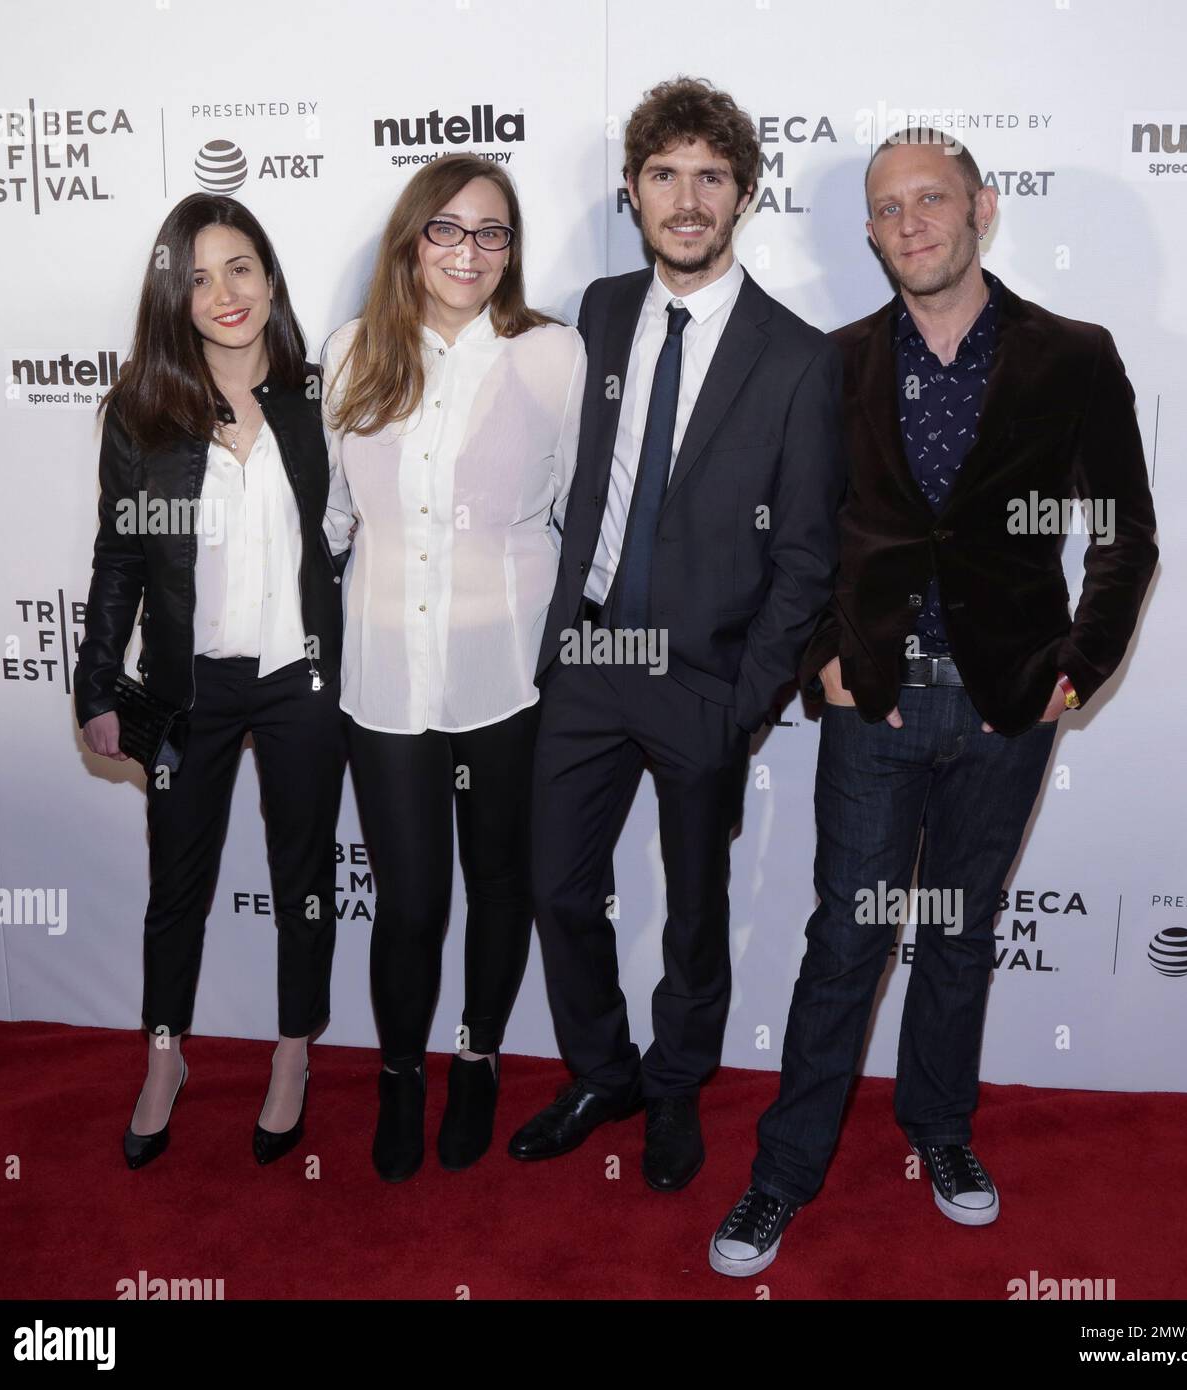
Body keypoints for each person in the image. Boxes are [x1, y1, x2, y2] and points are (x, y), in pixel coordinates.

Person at [710, 127, 1159, 1276]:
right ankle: (782, 1174)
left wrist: (1078, 665)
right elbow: (802, 535)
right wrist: (822, 659)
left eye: (930, 199)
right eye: (887, 208)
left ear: (981, 208)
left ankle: (941, 1134)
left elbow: (1121, 533)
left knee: (959, 939)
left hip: (1009, 707)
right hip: (875, 704)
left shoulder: (1072, 354)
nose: (910, 222)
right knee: (844, 940)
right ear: (868, 232)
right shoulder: (838, 360)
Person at [508, 78, 844, 1192]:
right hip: (590, 660)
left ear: (744, 193)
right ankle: (603, 1071)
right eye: (664, 175)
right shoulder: (598, 313)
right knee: (556, 887)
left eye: (709, 176)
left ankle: (676, 1084)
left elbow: (805, 554)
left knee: (695, 914)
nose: (686, 198)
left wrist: (745, 695)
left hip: (704, 678)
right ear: (633, 190)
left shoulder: (798, 356)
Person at [74, 192, 353, 1170]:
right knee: (174, 888)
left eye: (238, 267)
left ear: (270, 276)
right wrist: (98, 683)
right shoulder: (144, 412)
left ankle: (292, 1055)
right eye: (195, 276)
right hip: (185, 685)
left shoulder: (324, 397)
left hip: (301, 679)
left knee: (302, 880)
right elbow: (119, 560)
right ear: (172, 297)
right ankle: (164, 1058)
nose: (222, 292)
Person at [321, 154, 584, 1181]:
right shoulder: (349, 354)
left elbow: (579, 512)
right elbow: (335, 523)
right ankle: (399, 1074)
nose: (468, 252)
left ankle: (475, 1058)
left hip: (506, 678)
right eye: (446, 229)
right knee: (412, 902)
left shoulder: (553, 355)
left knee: (499, 882)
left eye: (492, 233)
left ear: (511, 251)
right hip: (385, 682)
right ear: (410, 239)